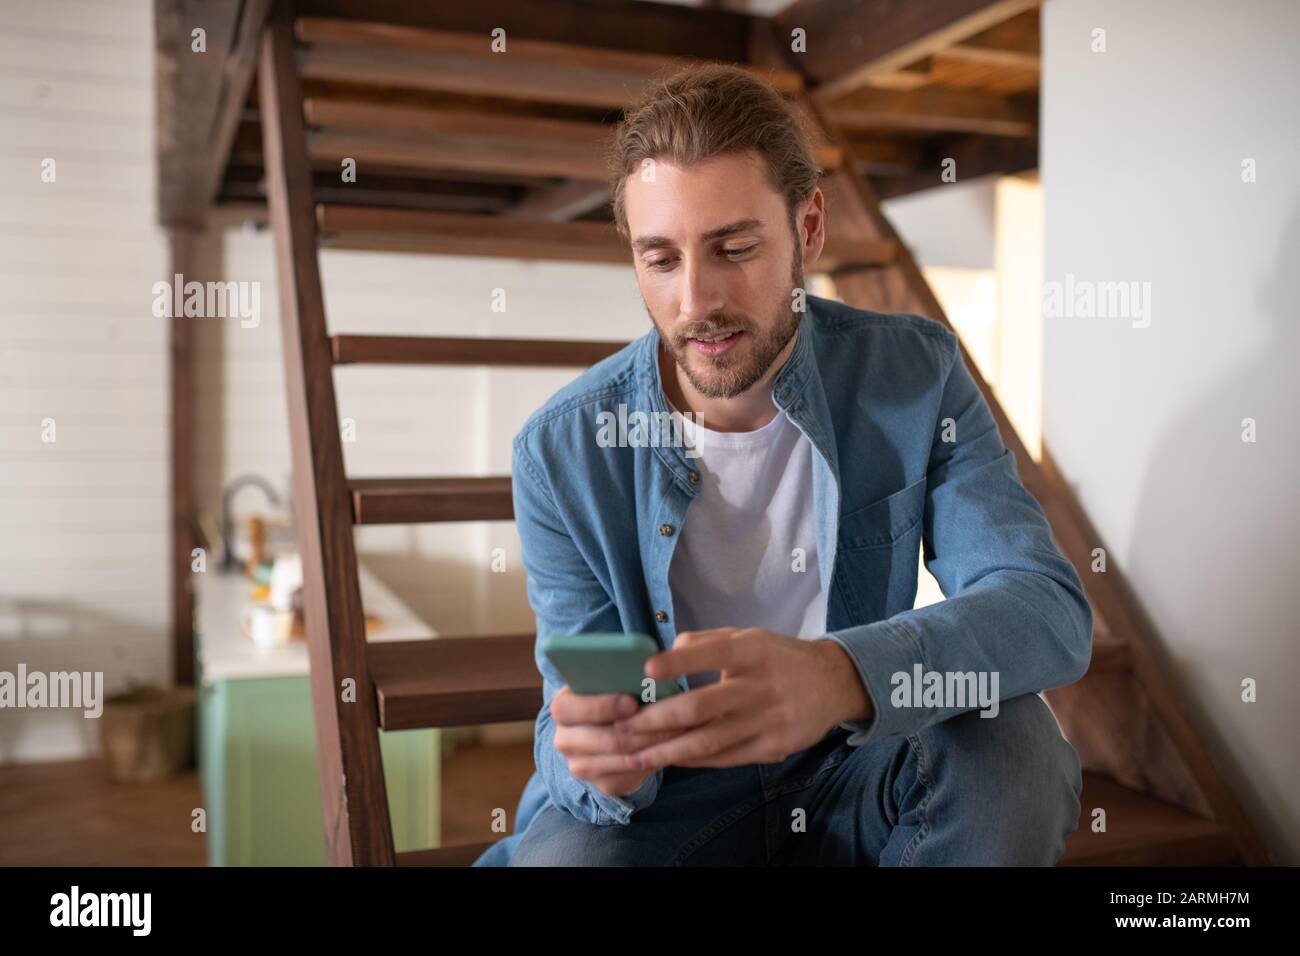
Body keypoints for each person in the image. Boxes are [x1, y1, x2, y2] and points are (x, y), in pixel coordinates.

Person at [473, 63, 1089, 867]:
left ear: (808, 229)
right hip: (672, 797)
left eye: (733, 248)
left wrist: (842, 675)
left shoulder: (913, 374)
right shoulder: (562, 449)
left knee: (1014, 745)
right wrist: (600, 760)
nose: (696, 301)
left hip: (858, 760)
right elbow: (569, 726)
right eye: (660, 260)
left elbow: (1044, 607)